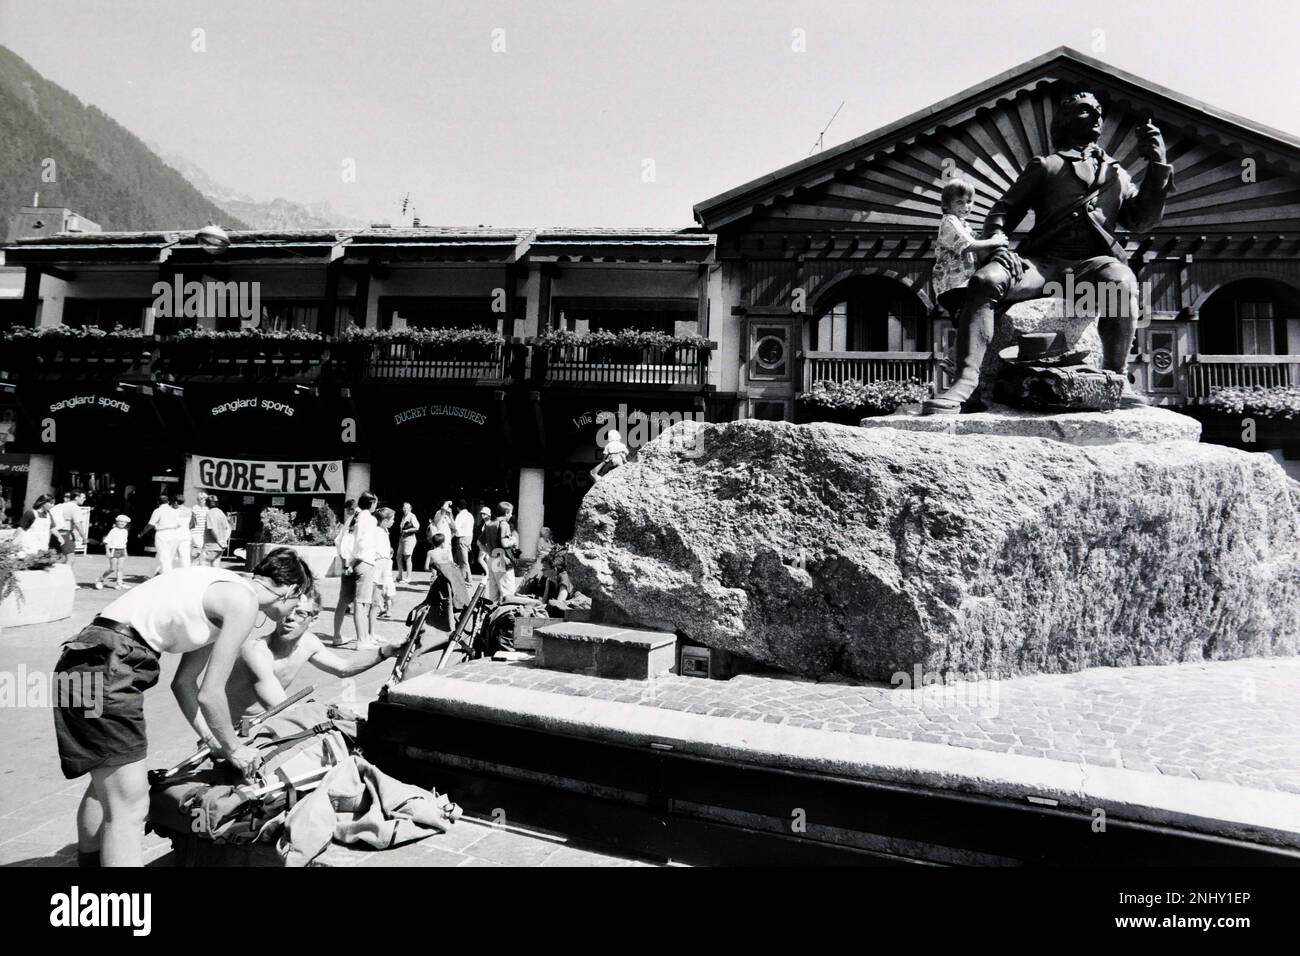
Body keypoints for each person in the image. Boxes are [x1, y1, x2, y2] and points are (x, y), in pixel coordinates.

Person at [52, 548, 314, 867]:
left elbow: (185, 683)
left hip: (80, 660)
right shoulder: (243, 601)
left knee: (104, 785)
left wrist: (213, 740)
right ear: (291, 590)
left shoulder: (220, 586)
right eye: (296, 602)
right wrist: (234, 748)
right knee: (131, 809)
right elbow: (211, 693)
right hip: (111, 666)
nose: (290, 613)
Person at [922, 90, 1173, 415]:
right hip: (1043, 265)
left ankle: (1116, 379)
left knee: (1122, 281)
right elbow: (1001, 215)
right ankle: (966, 382)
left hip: (1091, 267)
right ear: (1065, 120)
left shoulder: (1117, 174)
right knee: (985, 280)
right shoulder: (1046, 166)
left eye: (1098, 111)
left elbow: (1141, 220)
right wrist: (1000, 245)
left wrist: (1157, 166)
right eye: (1084, 111)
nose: (1096, 116)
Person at [220, 591, 402, 723]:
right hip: (233, 731)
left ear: (313, 620)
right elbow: (281, 709)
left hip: (266, 723)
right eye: (288, 610)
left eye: (300, 613)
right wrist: (329, 714)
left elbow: (344, 668)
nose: (290, 618)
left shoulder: (308, 643)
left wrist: (387, 651)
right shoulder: (257, 652)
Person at [932, 177, 1010, 320]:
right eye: (959, 202)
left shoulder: (964, 225)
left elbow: (979, 241)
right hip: (953, 286)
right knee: (967, 317)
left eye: (969, 201)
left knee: (965, 322)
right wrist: (995, 241)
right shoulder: (950, 221)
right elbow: (969, 246)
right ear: (946, 205)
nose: (965, 206)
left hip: (962, 285)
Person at [331, 490, 379, 647]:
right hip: (363, 562)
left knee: (343, 602)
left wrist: (347, 561)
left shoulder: (352, 518)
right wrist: (354, 561)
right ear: (372, 504)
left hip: (348, 562)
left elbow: (339, 541)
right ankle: (362, 640)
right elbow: (363, 545)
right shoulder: (370, 520)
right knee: (361, 603)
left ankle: (336, 636)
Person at [483, 501, 519, 601]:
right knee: (508, 593)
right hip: (501, 559)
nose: (511, 515)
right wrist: (513, 540)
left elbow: (479, 543)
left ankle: (491, 615)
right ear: (506, 512)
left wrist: (489, 551)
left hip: (492, 558)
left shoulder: (489, 524)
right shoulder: (504, 524)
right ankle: (505, 616)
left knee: (493, 595)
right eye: (510, 512)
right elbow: (504, 543)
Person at [145, 495, 185, 574]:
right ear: (168, 502)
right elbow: (180, 524)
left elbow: (151, 524)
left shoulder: (158, 510)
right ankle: (154, 573)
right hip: (174, 533)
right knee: (168, 557)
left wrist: (142, 533)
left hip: (162, 534)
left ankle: (166, 577)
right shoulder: (175, 510)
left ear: (158, 502)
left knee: (164, 558)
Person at [370, 506, 398, 624]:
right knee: (375, 596)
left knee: (379, 596)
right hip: (379, 566)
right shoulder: (377, 531)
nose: (394, 521)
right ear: (385, 521)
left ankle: (372, 630)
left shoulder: (384, 531)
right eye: (392, 519)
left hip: (384, 567)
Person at [53, 490, 89, 568]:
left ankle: (56, 577)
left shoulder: (60, 505)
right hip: (65, 533)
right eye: (83, 497)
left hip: (54, 533)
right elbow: (78, 524)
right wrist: (84, 538)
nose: (84, 499)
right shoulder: (75, 508)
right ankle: (65, 578)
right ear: (76, 498)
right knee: (71, 558)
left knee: (58, 558)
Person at [95, 515, 131, 590]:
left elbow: (124, 542)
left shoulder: (125, 531)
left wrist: (125, 551)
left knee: (120, 568)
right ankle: (100, 579)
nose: (122, 523)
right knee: (112, 569)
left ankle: (119, 583)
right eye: (120, 521)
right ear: (117, 522)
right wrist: (107, 552)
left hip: (122, 550)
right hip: (114, 550)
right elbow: (106, 542)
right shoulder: (113, 531)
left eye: (124, 522)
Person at [199, 494, 231, 567]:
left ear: (207, 503)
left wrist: (218, 540)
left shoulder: (210, 513)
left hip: (210, 546)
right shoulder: (221, 512)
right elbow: (228, 528)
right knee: (215, 568)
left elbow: (211, 529)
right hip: (219, 548)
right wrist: (224, 540)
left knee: (203, 567)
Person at [395, 502, 418, 584]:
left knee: (407, 557)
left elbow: (417, 527)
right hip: (402, 537)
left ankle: (408, 577)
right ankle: (400, 575)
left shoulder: (412, 516)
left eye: (407, 508)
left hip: (409, 538)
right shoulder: (403, 516)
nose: (405, 509)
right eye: (404, 508)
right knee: (398, 556)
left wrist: (407, 530)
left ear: (410, 508)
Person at [452, 499, 474, 583]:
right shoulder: (470, 515)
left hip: (462, 538)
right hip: (469, 537)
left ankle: (465, 578)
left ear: (458, 508)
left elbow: (455, 527)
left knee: (463, 560)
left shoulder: (460, 515)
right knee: (459, 559)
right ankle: (467, 577)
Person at [188, 494, 210, 565]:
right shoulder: (195, 508)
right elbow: (193, 521)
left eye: (204, 499)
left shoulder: (207, 509)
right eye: (201, 499)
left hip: (203, 533)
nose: (203, 501)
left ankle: (197, 567)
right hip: (196, 532)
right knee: (198, 550)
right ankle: (193, 567)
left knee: (202, 553)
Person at [472, 505, 492, 576]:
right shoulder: (486, 523)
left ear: (488, 514)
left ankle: (488, 573)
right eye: (482, 514)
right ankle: (489, 573)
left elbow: (487, 535)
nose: (482, 515)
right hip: (485, 543)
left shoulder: (487, 523)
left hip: (485, 543)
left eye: (484, 514)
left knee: (480, 559)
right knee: (486, 559)